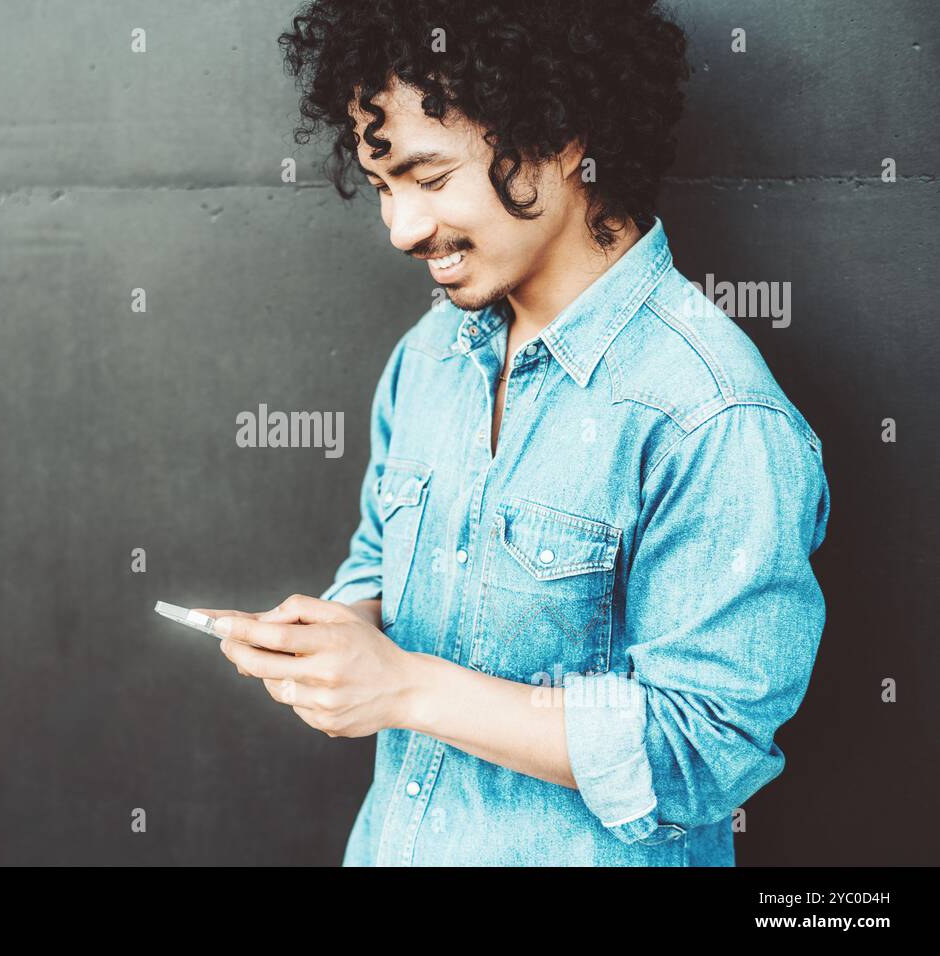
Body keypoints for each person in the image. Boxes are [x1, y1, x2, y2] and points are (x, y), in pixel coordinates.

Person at [198, 0, 830, 866]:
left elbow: (701, 751)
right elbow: (382, 559)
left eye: (429, 177)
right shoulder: (428, 356)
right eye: (384, 187)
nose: (402, 229)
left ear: (565, 139)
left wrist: (405, 687)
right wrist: (331, 635)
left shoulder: (713, 414)